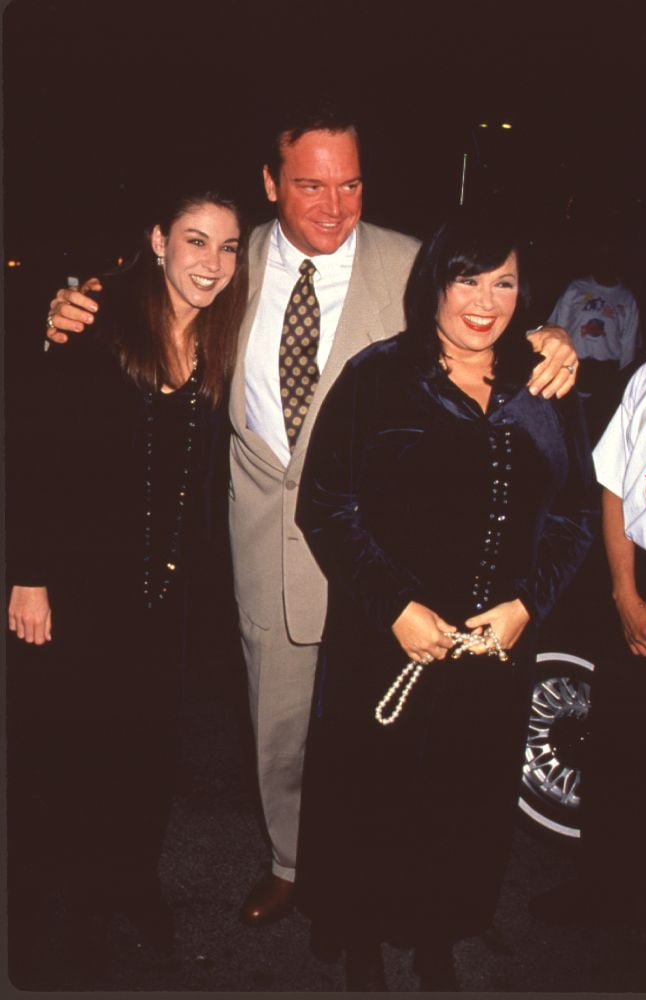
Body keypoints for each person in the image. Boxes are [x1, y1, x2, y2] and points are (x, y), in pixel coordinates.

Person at [44, 101, 580, 928]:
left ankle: (379, 876)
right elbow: (148, 296)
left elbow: (485, 315)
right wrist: (69, 305)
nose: (334, 206)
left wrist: (551, 335)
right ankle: (293, 861)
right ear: (270, 184)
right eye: (309, 186)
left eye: (352, 184)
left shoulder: (411, 262)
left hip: (390, 548)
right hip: (264, 535)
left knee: (386, 727)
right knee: (280, 724)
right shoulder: (234, 260)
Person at [294, 209, 599, 991]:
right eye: (467, 278)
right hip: (383, 641)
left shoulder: (547, 384)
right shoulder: (378, 376)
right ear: (433, 281)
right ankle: (360, 939)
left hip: (491, 654)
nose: (485, 300)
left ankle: (436, 937)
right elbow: (325, 505)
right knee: (372, 796)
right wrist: (395, 606)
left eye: (504, 281)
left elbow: (572, 513)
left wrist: (527, 607)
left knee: (461, 804)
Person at [7, 189, 248, 986]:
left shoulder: (223, 335)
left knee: (149, 749)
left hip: (171, 596)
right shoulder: (97, 324)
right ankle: (52, 907)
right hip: (82, 586)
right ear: (156, 240)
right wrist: (29, 573)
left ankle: (129, 885)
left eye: (227, 247)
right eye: (195, 241)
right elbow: (36, 451)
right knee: (67, 748)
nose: (211, 264)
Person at [529, 352, 646, 988]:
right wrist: (624, 593)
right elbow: (611, 483)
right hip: (640, 577)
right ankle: (599, 888)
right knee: (616, 746)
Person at [547, 230, 640, 440]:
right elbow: (556, 327)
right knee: (565, 432)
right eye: (601, 255)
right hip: (573, 367)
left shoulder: (626, 298)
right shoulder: (576, 288)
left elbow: (628, 345)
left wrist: (618, 382)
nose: (605, 260)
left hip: (605, 374)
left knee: (596, 433)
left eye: (611, 256)